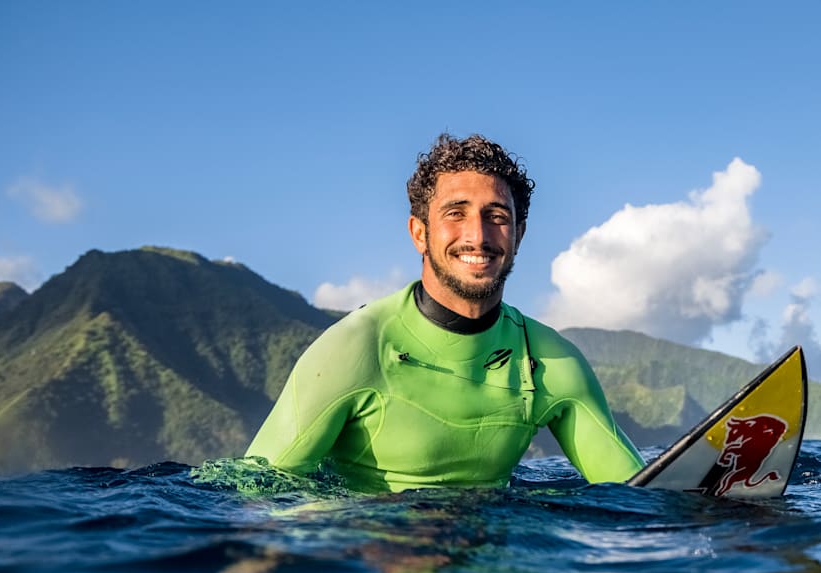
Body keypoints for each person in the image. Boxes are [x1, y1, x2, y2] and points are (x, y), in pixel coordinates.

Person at [245, 133, 645, 492]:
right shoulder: (356, 347)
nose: (478, 235)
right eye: (456, 213)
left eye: (497, 216)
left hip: (499, 561)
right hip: (371, 556)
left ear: (519, 235)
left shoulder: (548, 361)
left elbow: (640, 496)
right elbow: (252, 494)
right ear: (419, 232)